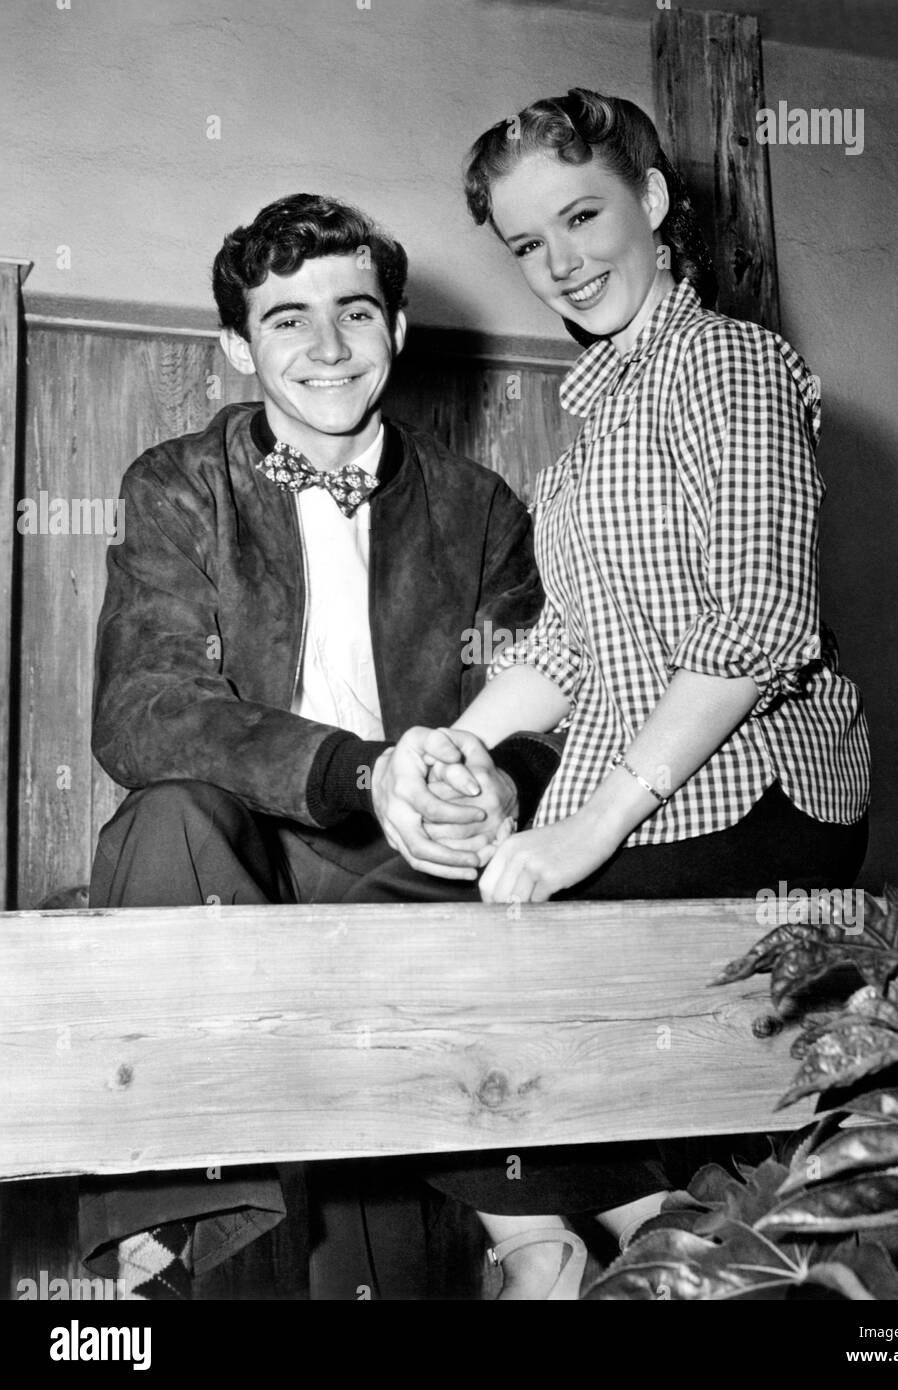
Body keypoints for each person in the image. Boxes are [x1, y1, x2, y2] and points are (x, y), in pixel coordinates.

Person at [346, 88, 871, 1299]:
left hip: (760, 795)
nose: (561, 264)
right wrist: (455, 741)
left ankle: (575, 1246)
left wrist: (586, 826)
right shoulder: (584, 440)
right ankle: (643, 1240)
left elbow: (759, 618)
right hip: (650, 793)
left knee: (469, 969)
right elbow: (574, 644)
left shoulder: (731, 365)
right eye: (528, 245)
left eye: (582, 217)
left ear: (649, 199)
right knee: (395, 930)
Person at [80, 192, 557, 1299]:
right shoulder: (176, 483)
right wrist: (356, 770)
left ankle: (536, 1217)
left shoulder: (479, 506)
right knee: (170, 816)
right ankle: (181, 1240)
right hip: (237, 851)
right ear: (236, 346)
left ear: (396, 329)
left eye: (355, 310)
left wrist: (499, 783)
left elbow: (555, 697)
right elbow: (141, 707)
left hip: (412, 872)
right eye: (286, 318)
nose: (327, 345)